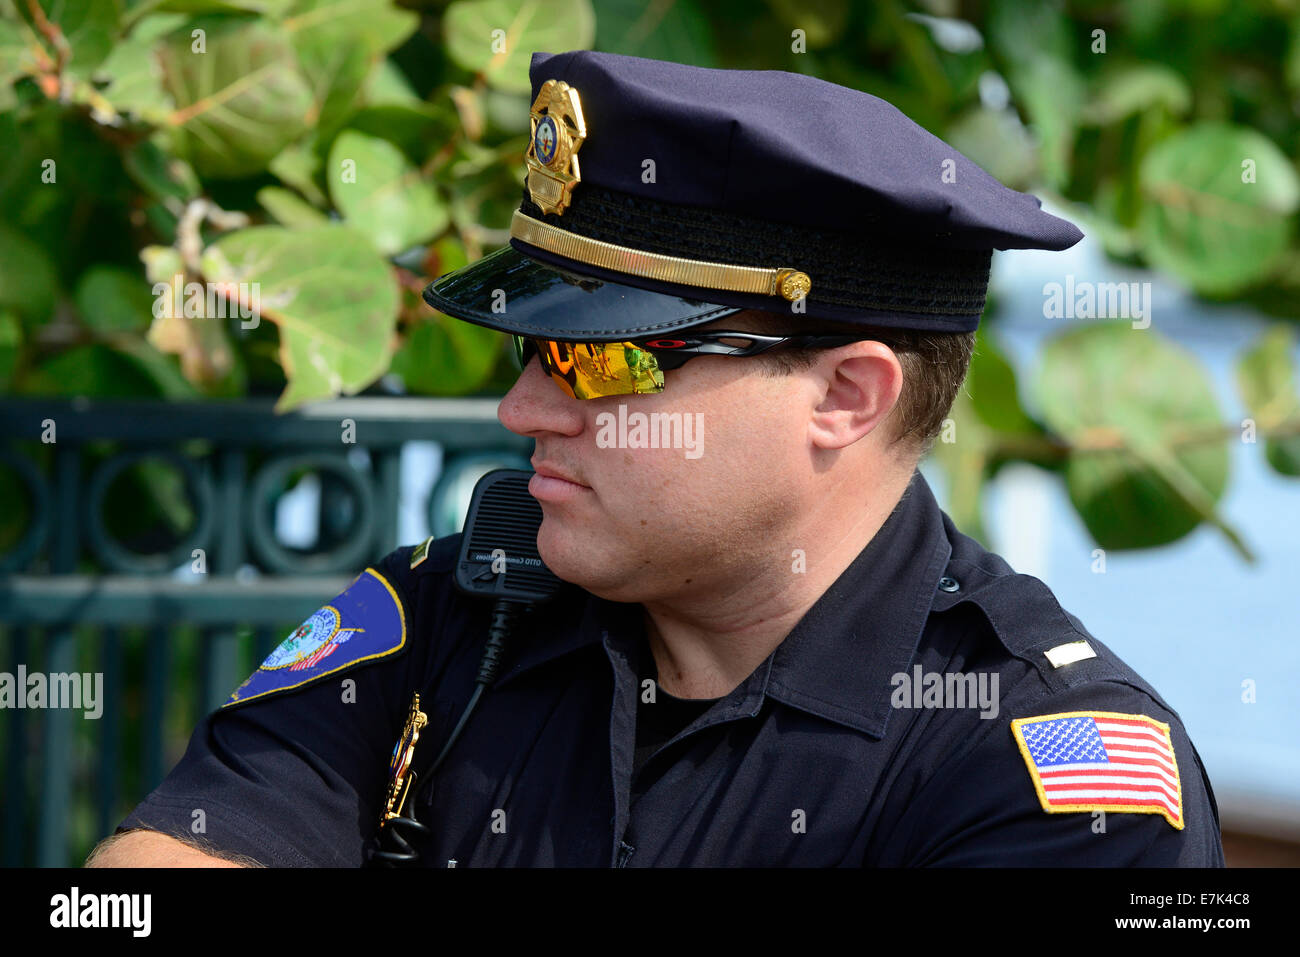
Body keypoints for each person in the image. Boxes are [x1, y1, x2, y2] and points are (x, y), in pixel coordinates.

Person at [90, 50, 1223, 867]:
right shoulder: (450, 610)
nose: (523, 410)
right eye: (537, 348)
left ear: (844, 395)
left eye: (606, 362)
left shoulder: (1052, 782)